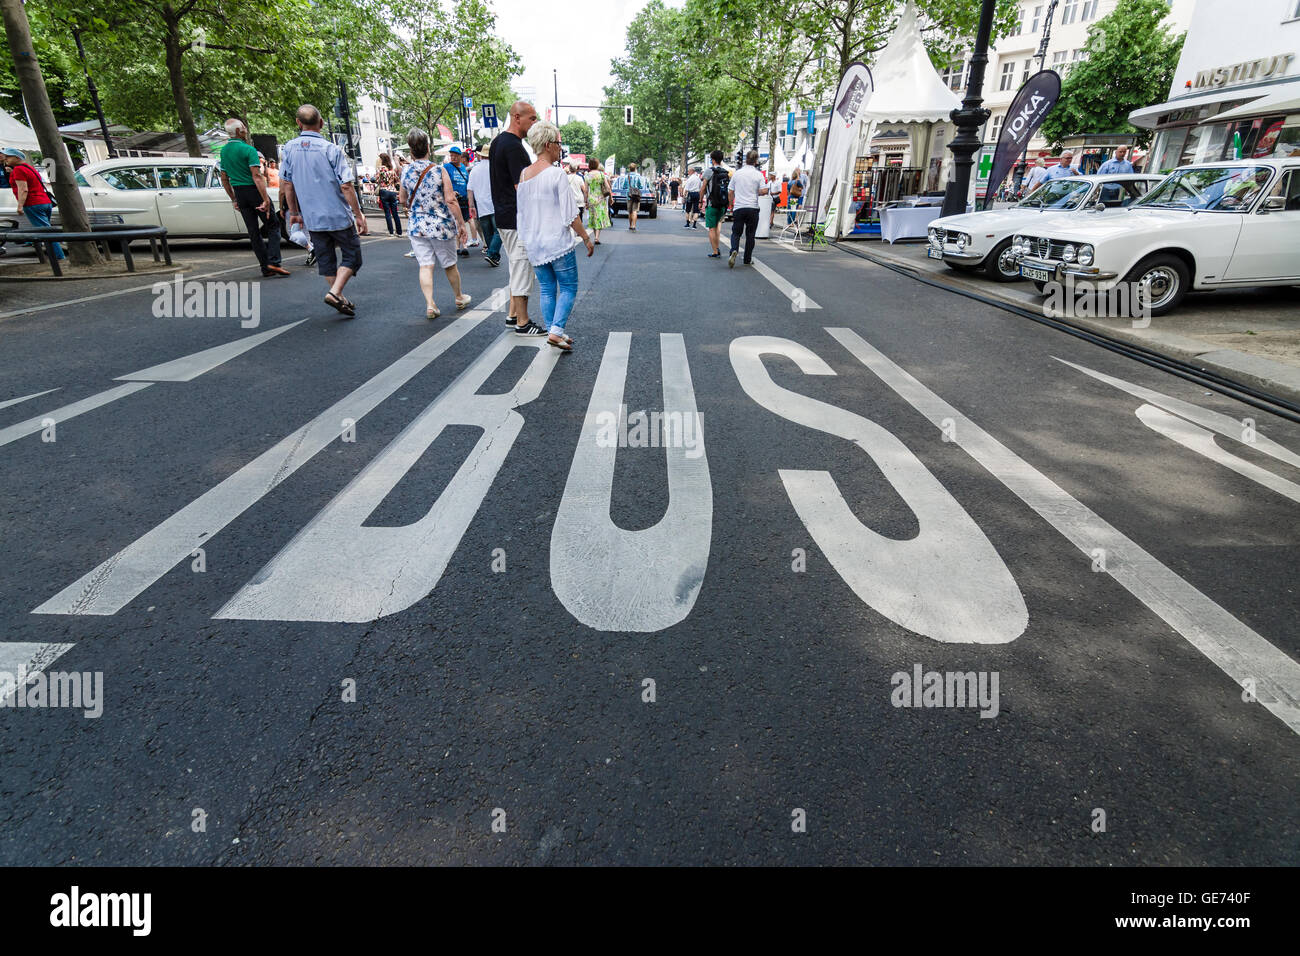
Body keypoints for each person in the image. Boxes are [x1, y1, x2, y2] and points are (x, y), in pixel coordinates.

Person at [279, 103, 368, 316]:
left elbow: (287, 184)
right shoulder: (331, 149)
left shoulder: (289, 149)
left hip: (312, 217)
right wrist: (358, 214)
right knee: (353, 256)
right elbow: (346, 185)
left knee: (326, 258)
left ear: (298, 123)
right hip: (337, 214)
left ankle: (339, 297)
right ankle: (336, 293)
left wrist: (294, 213)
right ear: (320, 123)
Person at [517, 120, 594, 352]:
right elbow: (570, 215)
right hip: (557, 242)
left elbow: (521, 212)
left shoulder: (523, 175)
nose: (561, 148)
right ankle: (556, 330)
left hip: (534, 242)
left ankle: (553, 331)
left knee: (548, 288)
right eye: (559, 143)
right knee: (569, 287)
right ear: (549, 144)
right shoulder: (556, 174)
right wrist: (586, 238)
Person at [400, 127, 471, 319]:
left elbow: (402, 198)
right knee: (449, 264)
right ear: (428, 148)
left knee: (425, 265)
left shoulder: (405, 170)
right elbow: (450, 199)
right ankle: (458, 297)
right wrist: (461, 223)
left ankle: (430, 304)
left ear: (410, 149)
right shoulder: (439, 170)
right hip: (441, 224)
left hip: (417, 226)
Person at [490, 100, 544, 334]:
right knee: (522, 267)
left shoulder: (499, 142)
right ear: (516, 117)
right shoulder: (513, 147)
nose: (535, 123)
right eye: (532, 118)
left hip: (504, 215)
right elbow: (522, 187)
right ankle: (522, 322)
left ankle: (513, 316)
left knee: (516, 266)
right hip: (516, 217)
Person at [217, 120, 287, 278]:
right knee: (273, 224)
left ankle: (265, 267)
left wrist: (233, 199)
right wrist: (265, 199)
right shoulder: (248, 150)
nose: (245, 129)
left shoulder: (224, 151)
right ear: (238, 131)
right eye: (243, 127)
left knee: (253, 231)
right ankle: (274, 261)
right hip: (254, 191)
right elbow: (257, 176)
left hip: (240, 194)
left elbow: (224, 178)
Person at [3, 148, 64, 261]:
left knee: (45, 232)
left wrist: (20, 206)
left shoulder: (18, 170)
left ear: (17, 158)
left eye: (8, 156)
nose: (5, 158)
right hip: (45, 202)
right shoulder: (30, 168)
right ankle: (53, 254)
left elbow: (23, 189)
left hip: (33, 203)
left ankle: (59, 257)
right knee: (46, 229)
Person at [727, 148, 767, 268]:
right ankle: (747, 259)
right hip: (753, 208)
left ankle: (734, 250)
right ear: (756, 161)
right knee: (750, 235)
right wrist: (762, 192)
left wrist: (731, 204)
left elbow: (730, 191)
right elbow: (763, 190)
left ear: (745, 160)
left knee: (736, 233)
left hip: (739, 207)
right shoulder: (759, 175)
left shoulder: (737, 174)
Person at [467, 144, 501, 266]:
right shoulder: (496, 167)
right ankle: (492, 253)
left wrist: (471, 205)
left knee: (488, 233)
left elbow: (469, 189)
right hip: (495, 204)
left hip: (481, 206)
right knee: (499, 231)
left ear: (480, 156)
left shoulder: (474, 170)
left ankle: (493, 255)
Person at [443, 145, 474, 256]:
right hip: (453, 200)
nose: (453, 158)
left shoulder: (463, 168)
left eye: (455, 156)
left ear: (460, 157)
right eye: (451, 155)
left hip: (464, 199)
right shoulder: (446, 167)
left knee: (462, 222)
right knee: (457, 222)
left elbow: (467, 182)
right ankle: (460, 246)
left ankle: (460, 246)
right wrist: (451, 192)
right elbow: (443, 182)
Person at [702, 149, 729, 259]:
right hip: (722, 204)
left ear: (712, 160)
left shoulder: (709, 171)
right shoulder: (725, 172)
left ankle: (715, 251)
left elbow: (703, 187)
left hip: (712, 204)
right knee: (718, 227)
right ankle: (717, 247)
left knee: (711, 228)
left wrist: (700, 201)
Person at [375, 153, 403, 236]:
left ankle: (391, 231)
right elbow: (397, 180)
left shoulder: (380, 169)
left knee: (387, 213)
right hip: (393, 191)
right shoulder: (392, 169)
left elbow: (377, 180)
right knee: (395, 213)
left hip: (384, 191)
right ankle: (399, 232)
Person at [585, 160, 610, 243]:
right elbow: (608, 187)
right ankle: (596, 237)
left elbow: (586, 190)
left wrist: (585, 201)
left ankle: (595, 235)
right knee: (599, 217)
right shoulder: (601, 175)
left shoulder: (587, 175)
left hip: (591, 199)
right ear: (597, 165)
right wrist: (610, 197)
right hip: (600, 198)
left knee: (593, 217)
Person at [626, 162, 649, 231]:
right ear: (635, 168)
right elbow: (640, 185)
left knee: (630, 211)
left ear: (629, 169)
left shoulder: (627, 176)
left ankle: (630, 225)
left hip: (629, 195)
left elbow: (624, 185)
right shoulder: (638, 176)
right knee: (635, 210)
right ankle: (634, 225)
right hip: (636, 195)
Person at [566, 161, 588, 229]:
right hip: (579, 199)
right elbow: (584, 190)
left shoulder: (566, 177)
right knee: (579, 215)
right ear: (577, 169)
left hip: (569, 199)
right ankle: (579, 229)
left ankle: (571, 228)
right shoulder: (579, 178)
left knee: (570, 215)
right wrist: (586, 200)